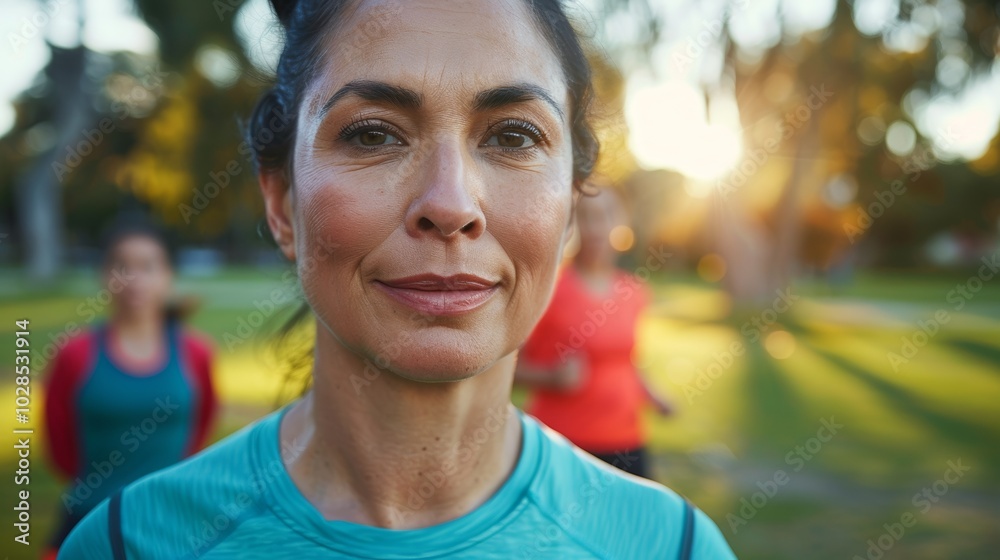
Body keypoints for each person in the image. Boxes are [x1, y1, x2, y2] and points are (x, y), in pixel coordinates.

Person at [60, 0, 737, 558]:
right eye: (374, 134)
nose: (450, 203)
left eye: (513, 136)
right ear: (282, 203)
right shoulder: (129, 544)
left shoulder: (669, 547)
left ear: (569, 214)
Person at [43, 218, 218, 558]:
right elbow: (60, 446)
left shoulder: (196, 353)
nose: (134, 279)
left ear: (168, 275)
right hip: (89, 521)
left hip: (172, 525)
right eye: (122, 266)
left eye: (148, 267)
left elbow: (200, 428)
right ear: (104, 274)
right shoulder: (74, 355)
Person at [515, 188, 673, 479]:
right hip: (563, 442)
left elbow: (627, 361)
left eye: (606, 216)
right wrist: (551, 378)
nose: (597, 227)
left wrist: (653, 395)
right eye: (586, 217)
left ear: (620, 224)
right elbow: (507, 369)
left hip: (627, 439)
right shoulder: (548, 288)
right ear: (569, 224)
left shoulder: (634, 291)